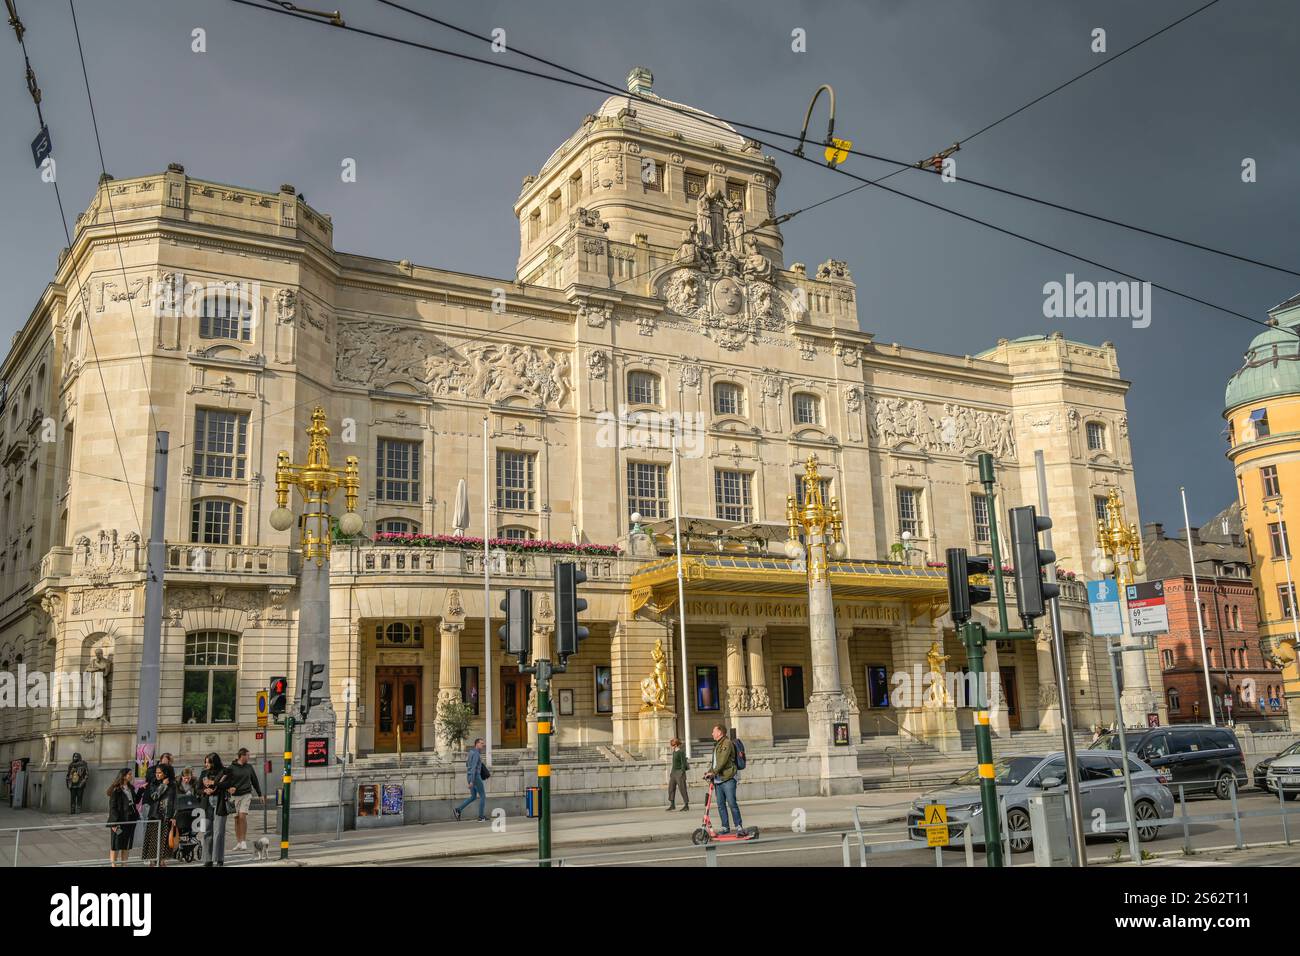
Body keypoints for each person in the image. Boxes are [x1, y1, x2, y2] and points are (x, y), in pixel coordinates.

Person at [704, 724, 744, 835]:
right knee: (721, 805)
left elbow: (722, 761)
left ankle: (739, 826)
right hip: (718, 780)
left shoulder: (726, 743)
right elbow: (715, 763)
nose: (712, 733)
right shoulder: (717, 745)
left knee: (731, 803)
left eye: (714, 731)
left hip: (728, 778)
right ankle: (725, 826)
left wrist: (713, 772)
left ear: (720, 732)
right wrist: (709, 772)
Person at [223, 748, 262, 851]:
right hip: (235, 796)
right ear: (242, 756)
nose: (249, 757)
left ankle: (244, 841)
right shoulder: (231, 768)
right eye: (248, 755)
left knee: (242, 816)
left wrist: (260, 794)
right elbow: (225, 782)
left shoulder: (249, 767)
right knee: (236, 819)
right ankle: (239, 842)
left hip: (246, 794)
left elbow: (255, 780)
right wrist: (228, 788)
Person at [141, 763, 176, 866]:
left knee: (164, 841)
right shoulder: (154, 783)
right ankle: (152, 861)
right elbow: (154, 796)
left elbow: (175, 801)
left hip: (166, 815)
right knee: (153, 840)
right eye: (156, 772)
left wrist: (174, 816)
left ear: (165, 773)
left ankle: (161, 861)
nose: (157, 774)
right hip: (155, 815)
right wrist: (163, 785)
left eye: (159, 773)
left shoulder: (173, 784)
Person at [199, 753, 228, 867]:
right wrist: (204, 791)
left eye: (209, 762)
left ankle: (219, 859)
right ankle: (208, 859)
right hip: (207, 804)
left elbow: (228, 783)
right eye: (205, 762)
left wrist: (214, 783)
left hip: (220, 803)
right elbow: (197, 788)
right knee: (207, 832)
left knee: (219, 832)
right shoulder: (203, 773)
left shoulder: (224, 771)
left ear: (214, 762)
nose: (206, 764)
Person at [106, 768, 138, 867]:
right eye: (129, 774)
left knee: (126, 844)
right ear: (124, 776)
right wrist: (114, 823)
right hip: (119, 820)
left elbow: (135, 801)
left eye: (131, 774)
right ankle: (114, 865)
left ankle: (125, 864)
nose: (131, 776)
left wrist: (141, 790)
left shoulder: (130, 788)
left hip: (130, 819)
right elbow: (113, 807)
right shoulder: (117, 789)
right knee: (116, 843)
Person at [452, 738, 487, 822]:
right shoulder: (476, 754)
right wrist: (472, 781)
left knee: (473, 796)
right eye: (481, 743)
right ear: (477, 744)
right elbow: (474, 767)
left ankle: (458, 809)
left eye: (483, 743)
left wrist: (470, 778)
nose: (483, 745)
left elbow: (467, 764)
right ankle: (481, 817)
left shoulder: (470, 752)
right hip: (475, 777)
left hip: (469, 775)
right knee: (482, 796)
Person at [666, 738, 689, 812]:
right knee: (671, 788)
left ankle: (686, 805)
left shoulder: (681, 752)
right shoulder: (674, 752)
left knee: (682, 788)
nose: (671, 746)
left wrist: (682, 772)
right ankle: (672, 805)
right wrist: (671, 772)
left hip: (679, 772)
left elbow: (683, 763)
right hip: (674, 772)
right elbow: (674, 764)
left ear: (676, 745)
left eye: (672, 745)